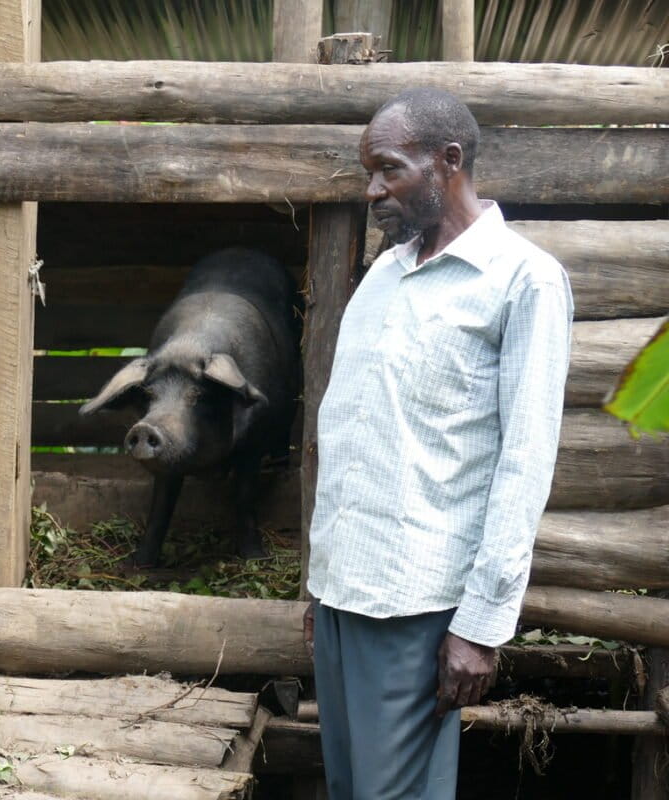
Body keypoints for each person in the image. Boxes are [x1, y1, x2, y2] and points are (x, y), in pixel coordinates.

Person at [303, 88, 574, 798]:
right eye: (369, 172)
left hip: (417, 608)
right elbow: (354, 430)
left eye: (388, 170)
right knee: (347, 788)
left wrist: (482, 624)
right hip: (342, 597)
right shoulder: (384, 275)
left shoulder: (524, 280)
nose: (372, 191)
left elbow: (524, 463)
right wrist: (319, 581)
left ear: (448, 161)